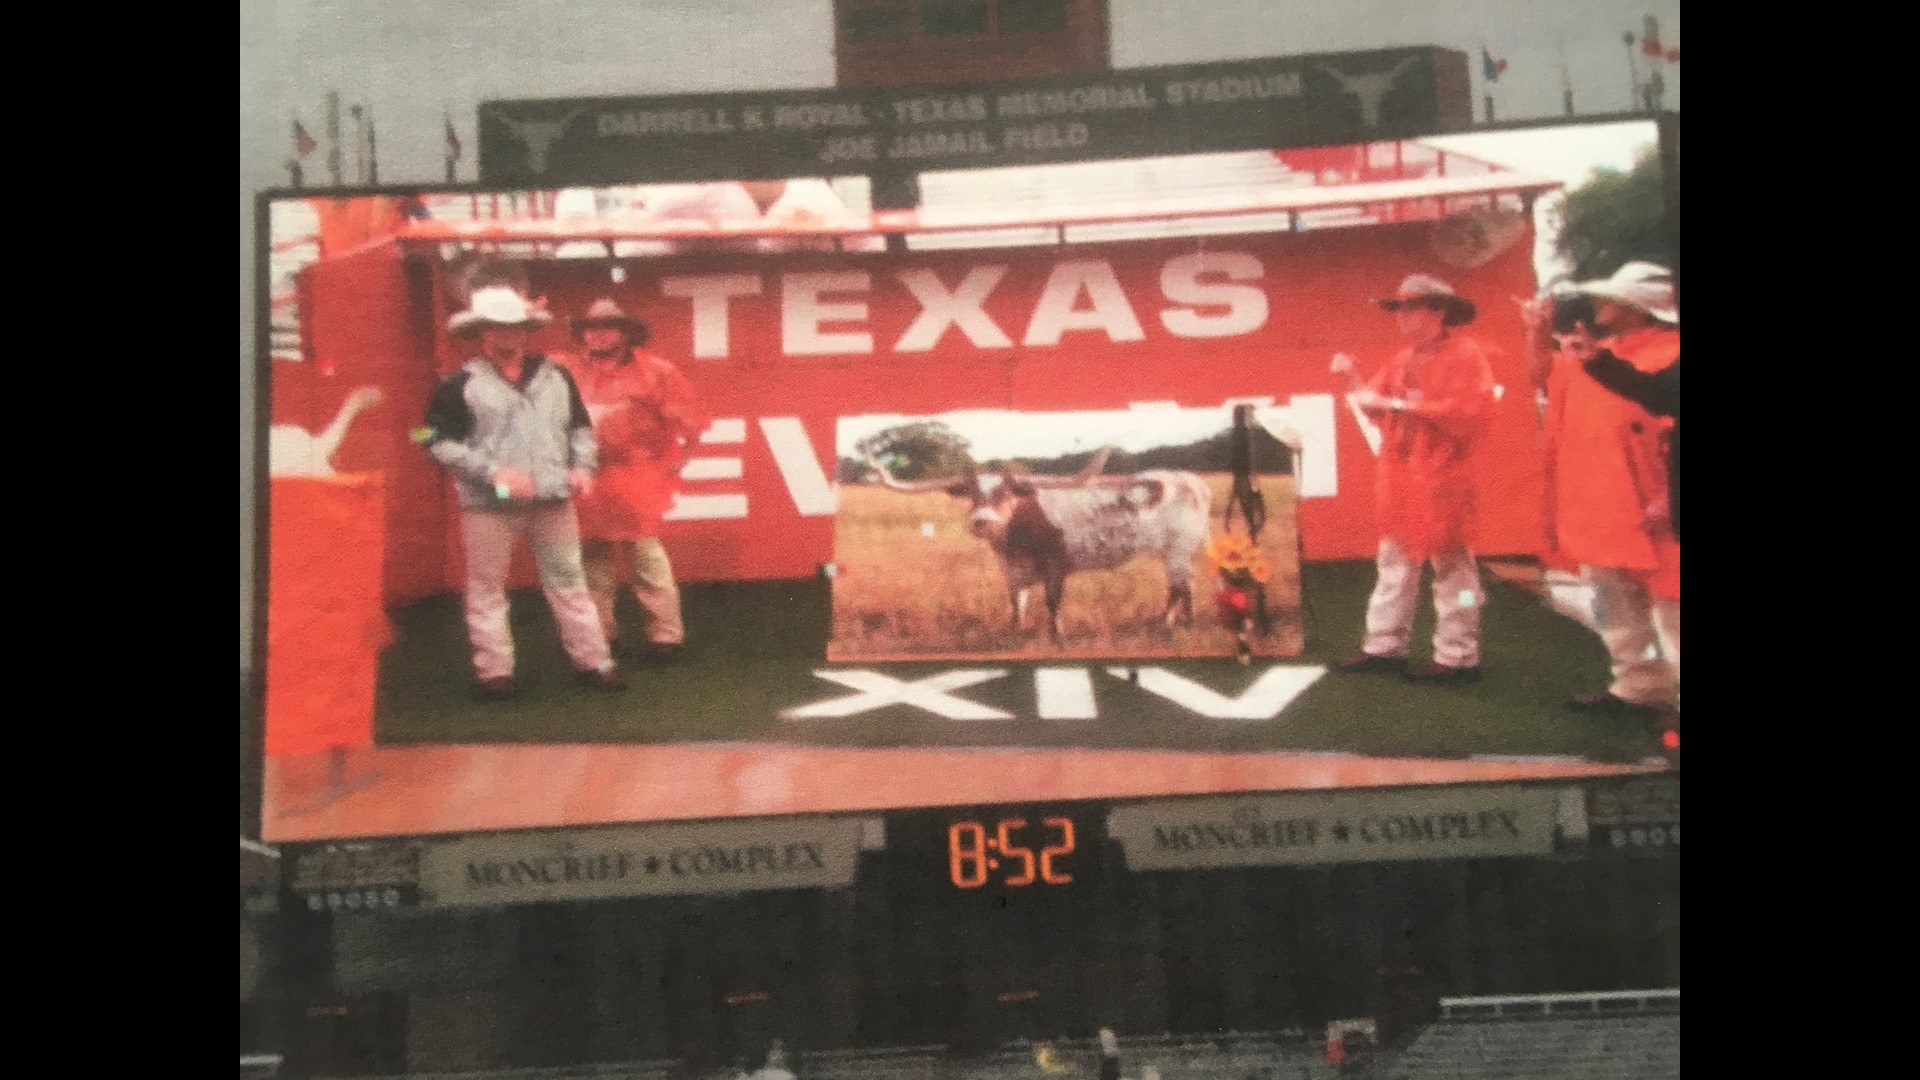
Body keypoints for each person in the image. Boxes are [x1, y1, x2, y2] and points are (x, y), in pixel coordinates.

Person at [418, 286, 627, 699]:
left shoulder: (555, 375)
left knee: (569, 581)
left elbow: (580, 428)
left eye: (513, 328)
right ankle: (494, 673)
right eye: (497, 328)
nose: (506, 337)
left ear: (525, 331)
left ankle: (595, 662)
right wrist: (493, 471)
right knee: (487, 586)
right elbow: (425, 435)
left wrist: (582, 468)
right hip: (488, 503)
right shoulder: (459, 383)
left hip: (552, 498)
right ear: (481, 332)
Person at [1335, 274, 1500, 683]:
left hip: (1446, 478)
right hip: (1402, 479)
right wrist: (1353, 379)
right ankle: (1384, 646)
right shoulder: (1402, 358)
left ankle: (1460, 654)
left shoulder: (1466, 354)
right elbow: (1375, 406)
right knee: (1393, 564)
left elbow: (1470, 412)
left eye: (1410, 308)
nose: (1401, 317)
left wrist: (1401, 405)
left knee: (1456, 571)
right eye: (1399, 308)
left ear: (1437, 312)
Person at [1538, 262, 1679, 722]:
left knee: (1675, 603)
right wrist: (1591, 355)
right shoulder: (1614, 356)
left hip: (1657, 501)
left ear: (1633, 308)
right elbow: (1646, 391)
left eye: (1608, 299)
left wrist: (1670, 497)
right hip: (1605, 506)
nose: (1598, 306)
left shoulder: (1670, 351)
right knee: (1613, 600)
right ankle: (1639, 684)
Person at [557, 298, 710, 660]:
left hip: (635, 475)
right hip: (586, 476)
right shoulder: (566, 370)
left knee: (645, 553)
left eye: (608, 327)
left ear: (626, 334)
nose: (597, 335)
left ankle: (665, 635)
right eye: (591, 329)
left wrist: (677, 463)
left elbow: (693, 423)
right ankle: (601, 634)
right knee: (592, 556)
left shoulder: (657, 371)